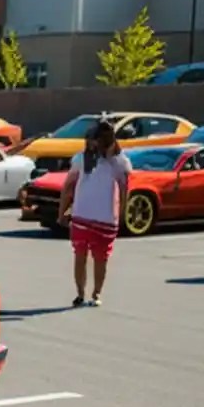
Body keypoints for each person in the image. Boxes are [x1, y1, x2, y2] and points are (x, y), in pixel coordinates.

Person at [58, 119, 131, 307]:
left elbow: (124, 189)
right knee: (89, 256)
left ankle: (91, 293)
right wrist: (63, 211)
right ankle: (86, 294)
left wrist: (62, 212)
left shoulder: (118, 162)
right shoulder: (84, 160)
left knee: (92, 257)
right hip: (87, 216)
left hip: (101, 218)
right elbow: (68, 187)